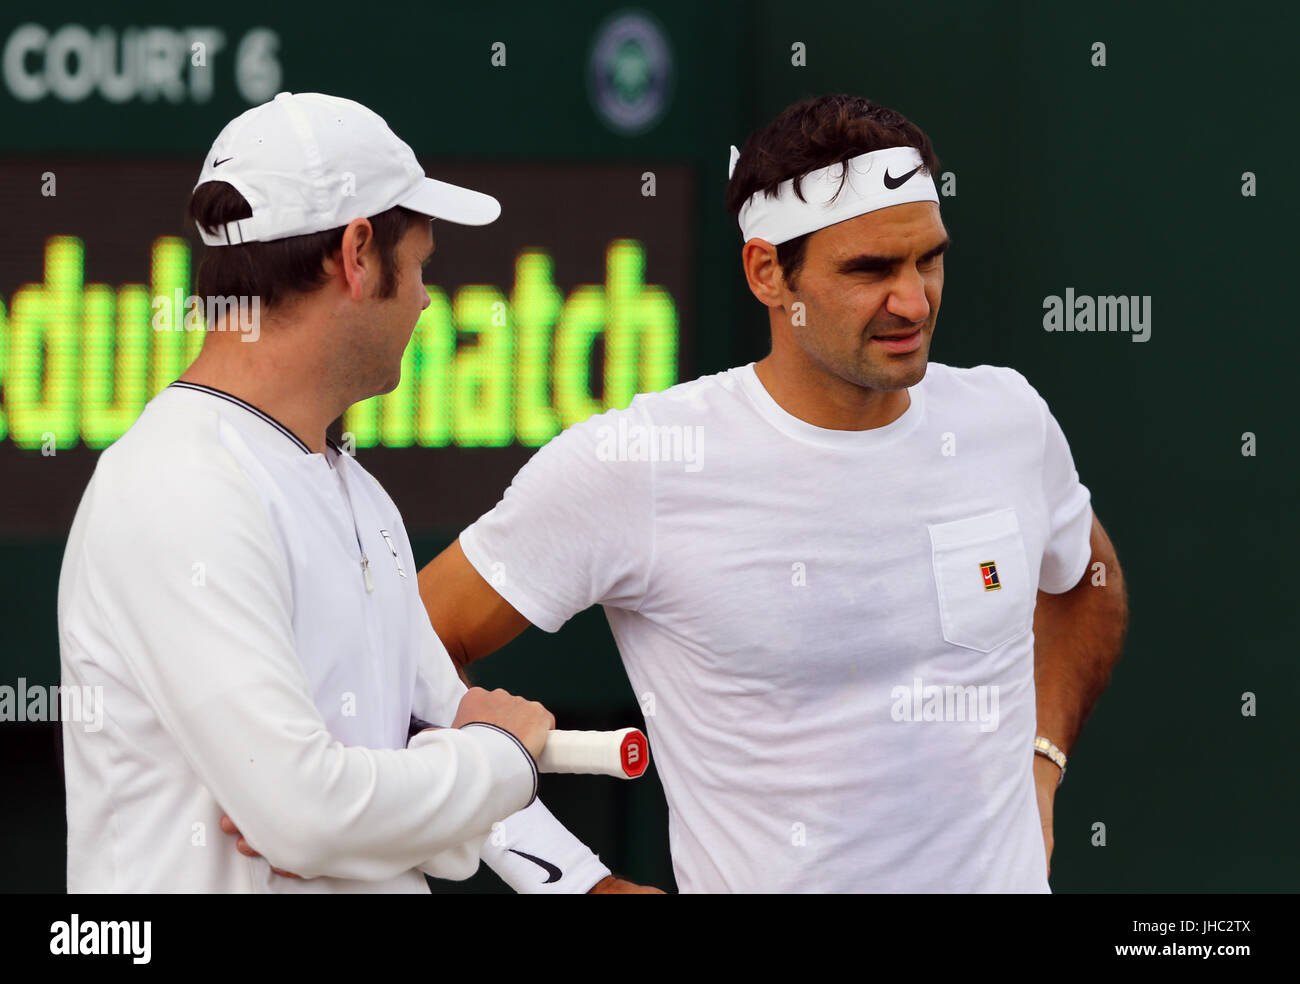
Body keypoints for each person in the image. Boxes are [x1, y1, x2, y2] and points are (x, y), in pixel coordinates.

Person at [416, 94, 1130, 892]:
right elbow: (402, 658)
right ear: (766, 272)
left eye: (927, 259)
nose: (914, 301)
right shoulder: (637, 463)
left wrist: (1044, 759)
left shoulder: (1009, 420)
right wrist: (574, 882)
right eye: (869, 270)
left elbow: (1085, 586)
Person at [57, 91, 636, 894]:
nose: (428, 298)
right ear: (358, 253)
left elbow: (411, 757)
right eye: (423, 264)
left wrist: (408, 811)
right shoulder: (174, 484)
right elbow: (307, 816)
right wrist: (494, 761)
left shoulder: (360, 497)